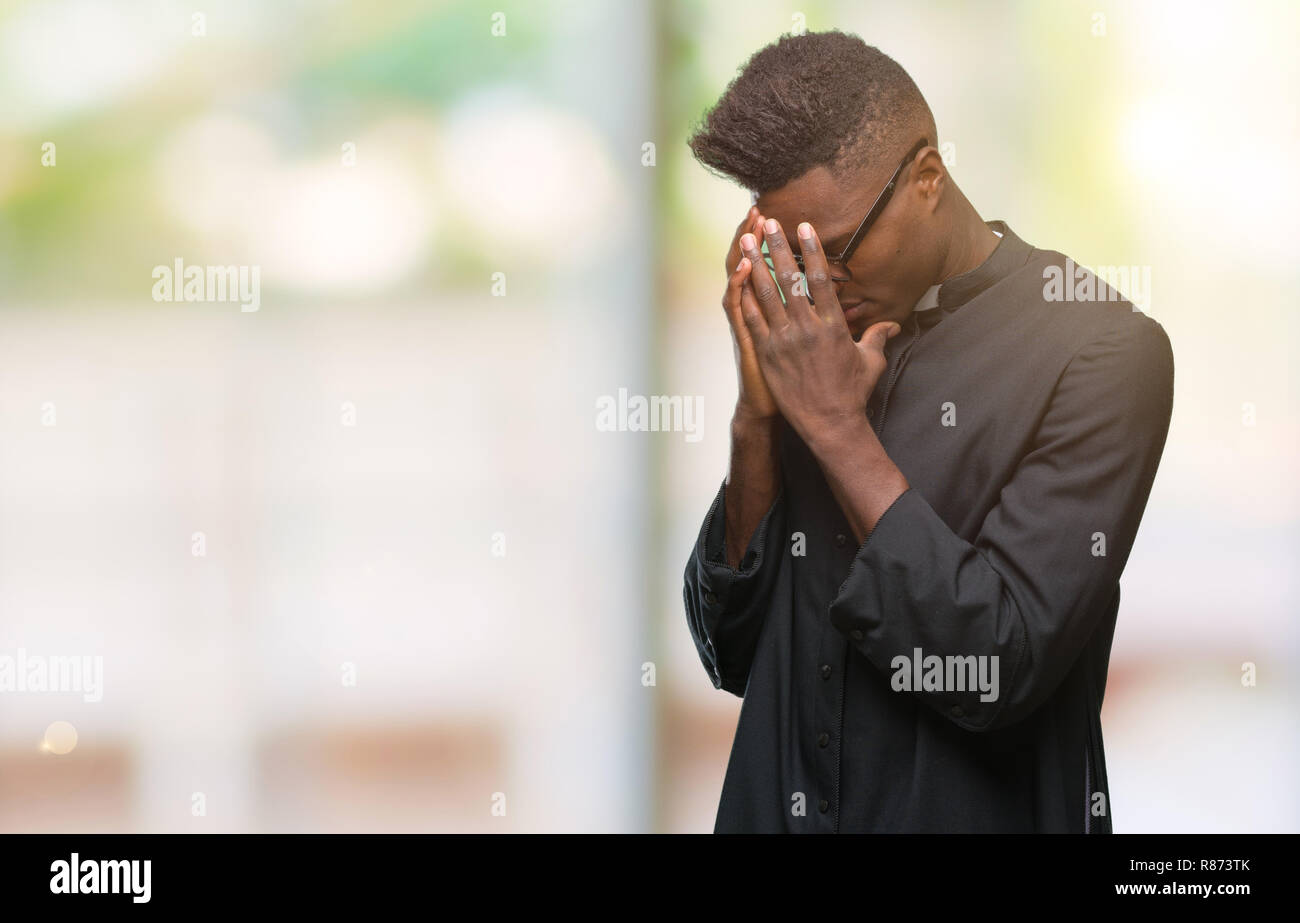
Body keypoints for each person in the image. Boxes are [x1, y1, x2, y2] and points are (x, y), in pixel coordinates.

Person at [681, 30, 1174, 833]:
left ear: (927, 178)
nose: (818, 287)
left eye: (834, 251)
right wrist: (758, 417)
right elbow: (730, 653)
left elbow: (996, 666)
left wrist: (838, 429)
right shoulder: (812, 342)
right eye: (795, 256)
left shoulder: (1105, 354)